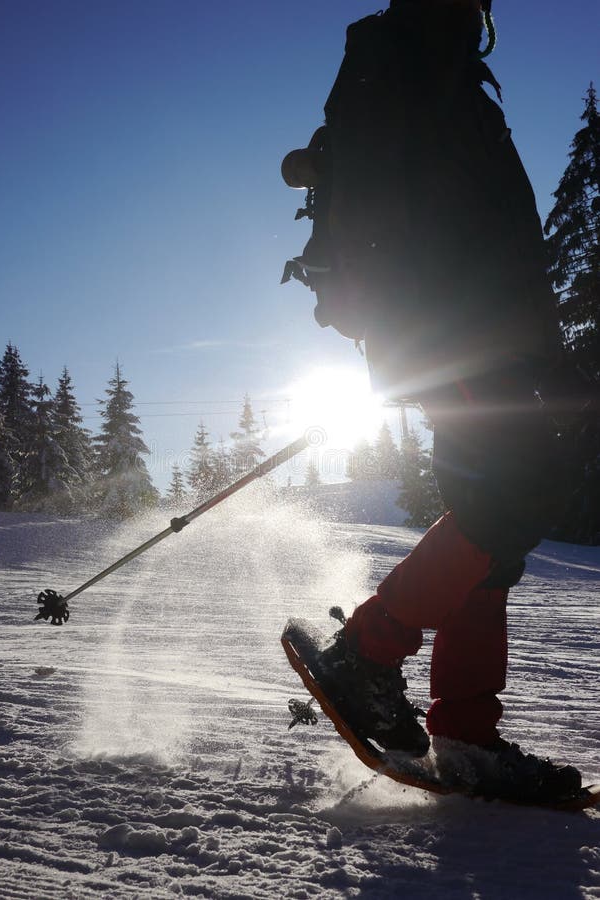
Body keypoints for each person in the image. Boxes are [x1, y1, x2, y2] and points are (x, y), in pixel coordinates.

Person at [284, 0, 583, 802]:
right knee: (518, 496)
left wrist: (549, 360)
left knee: (495, 523)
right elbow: (385, 209)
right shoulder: (398, 61)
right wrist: (418, 319)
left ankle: (465, 736)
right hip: (447, 332)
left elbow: (504, 239)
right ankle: (366, 654)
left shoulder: (450, 74)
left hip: (490, 336)